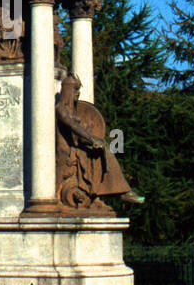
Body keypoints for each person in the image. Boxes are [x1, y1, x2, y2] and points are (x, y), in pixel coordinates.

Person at [54, 72, 144, 207]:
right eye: (75, 90)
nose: (77, 94)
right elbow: (73, 126)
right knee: (100, 151)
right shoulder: (61, 109)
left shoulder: (74, 110)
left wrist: (93, 138)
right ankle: (121, 192)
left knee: (103, 150)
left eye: (78, 90)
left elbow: (79, 132)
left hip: (77, 148)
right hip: (67, 152)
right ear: (67, 91)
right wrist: (91, 139)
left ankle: (114, 192)